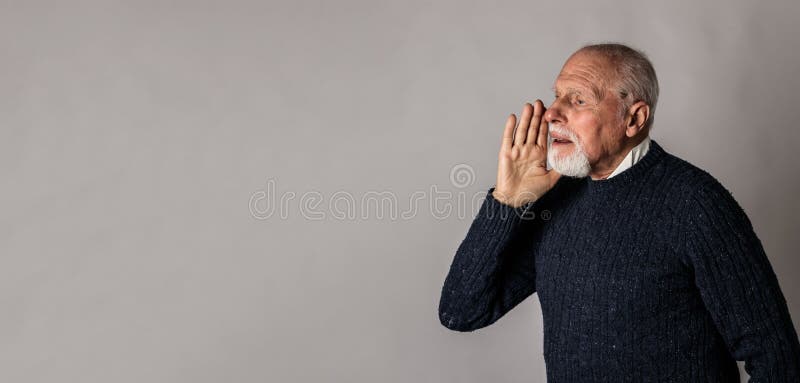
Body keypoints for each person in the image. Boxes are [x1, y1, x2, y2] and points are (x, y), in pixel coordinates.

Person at [437, 43, 800, 382]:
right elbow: (462, 312)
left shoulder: (696, 205)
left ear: (633, 119)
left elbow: (777, 359)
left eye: (578, 100)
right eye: (557, 95)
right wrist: (507, 201)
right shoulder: (555, 199)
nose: (552, 114)